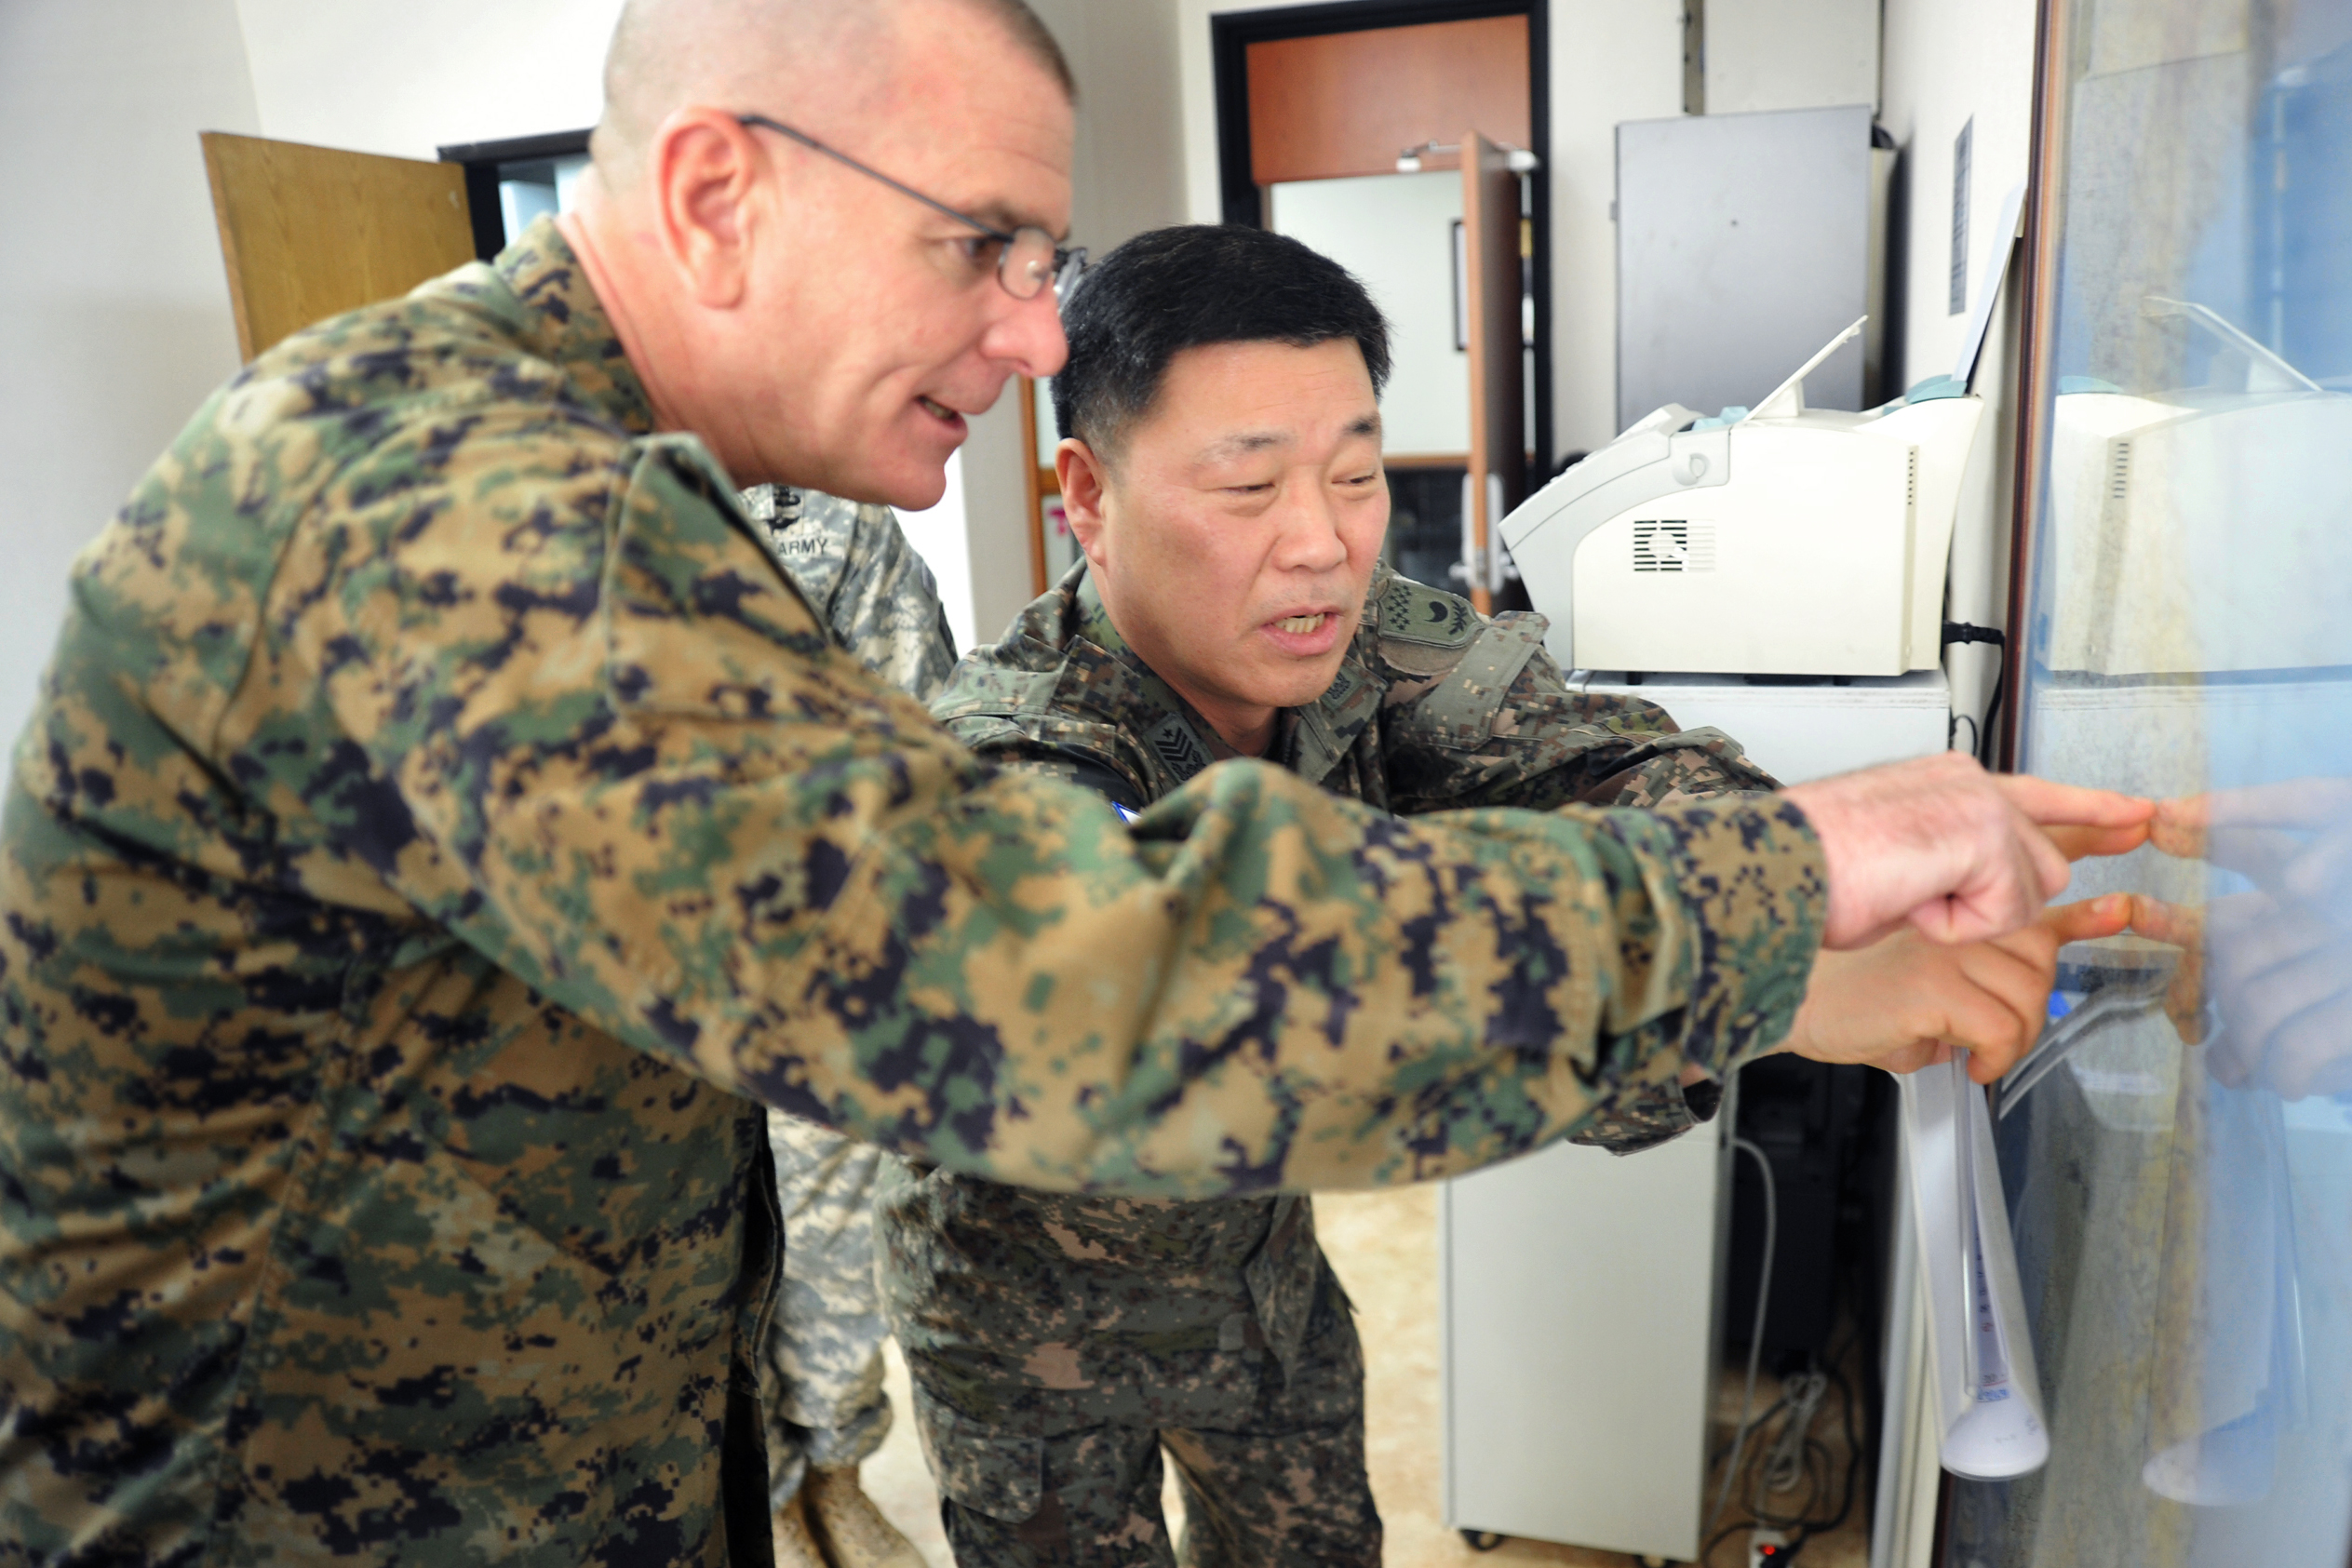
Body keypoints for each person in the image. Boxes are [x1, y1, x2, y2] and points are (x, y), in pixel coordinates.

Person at [0, 0, 2149, 1560]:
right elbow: (1069, 971)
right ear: (717, 190)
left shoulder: (634, 496)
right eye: (985, 248)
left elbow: (1522, 746)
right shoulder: (441, 497)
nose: (1041, 328)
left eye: (1048, 264)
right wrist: (1769, 898)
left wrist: (1770, 900)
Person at [883, 223, 2139, 1566]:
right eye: (1247, 488)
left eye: (1356, 474)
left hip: (1252, 1277)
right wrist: (1774, 990)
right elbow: (1270, 1038)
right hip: (1026, 1313)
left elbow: (1604, 754)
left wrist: (1801, 893)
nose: (1319, 543)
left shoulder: (1364, 639)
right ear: (1084, 493)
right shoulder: (1009, 759)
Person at [742, 481, 941, 1568]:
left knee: (832, 1250)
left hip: (813, 984)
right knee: (691, 1276)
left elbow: (920, 738)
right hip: (620, 1006)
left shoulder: (828, 523)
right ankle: (761, 1496)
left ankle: (832, 1477)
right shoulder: (545, 495)